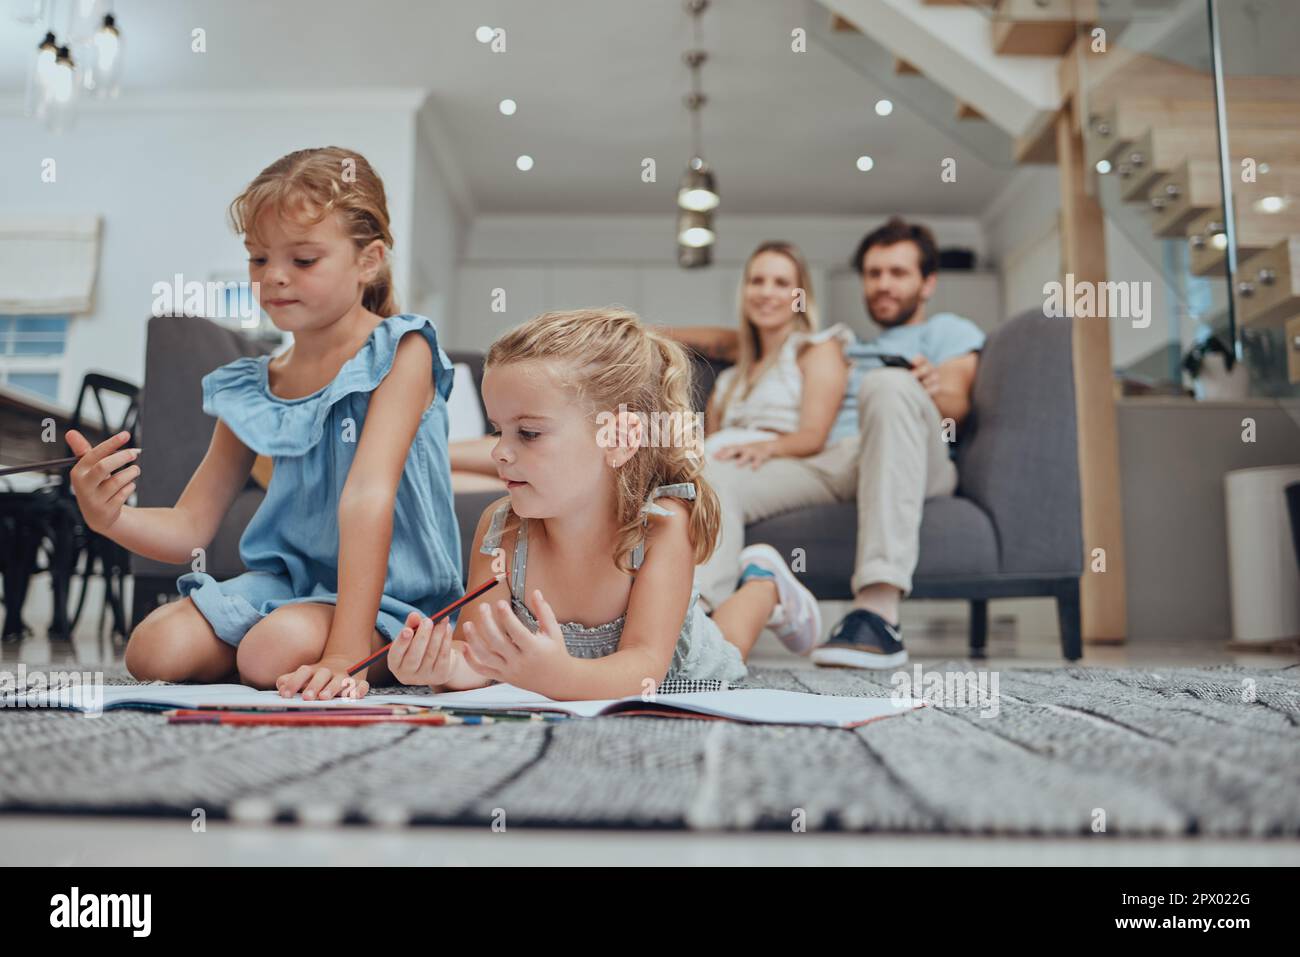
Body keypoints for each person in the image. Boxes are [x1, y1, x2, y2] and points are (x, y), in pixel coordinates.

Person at [68, 147, 464, 699]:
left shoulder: (404, 349)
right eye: (258, 259)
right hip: (285, 586)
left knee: (266, 653)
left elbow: (367, 497)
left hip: (389, 593)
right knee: (150, 649)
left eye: (303, 261)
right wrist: (108, 517)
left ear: (368, 261)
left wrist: (346, 655)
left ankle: (327, 649)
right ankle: (278, 645)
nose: (274, 278)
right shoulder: (252, 383)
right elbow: (189, 525)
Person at [387, 307, 820, 700]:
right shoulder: (501, 529)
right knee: (702, 608)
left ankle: (763, 584)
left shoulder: (665, 525)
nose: (499, 451)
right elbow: (478, 655)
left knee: (729, 639)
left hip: (682, 665)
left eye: (529, 433)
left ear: (619, 439)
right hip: (586, 661)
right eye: (498, 429)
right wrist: (443, 665)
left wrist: (558, 678)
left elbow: (645, 669)